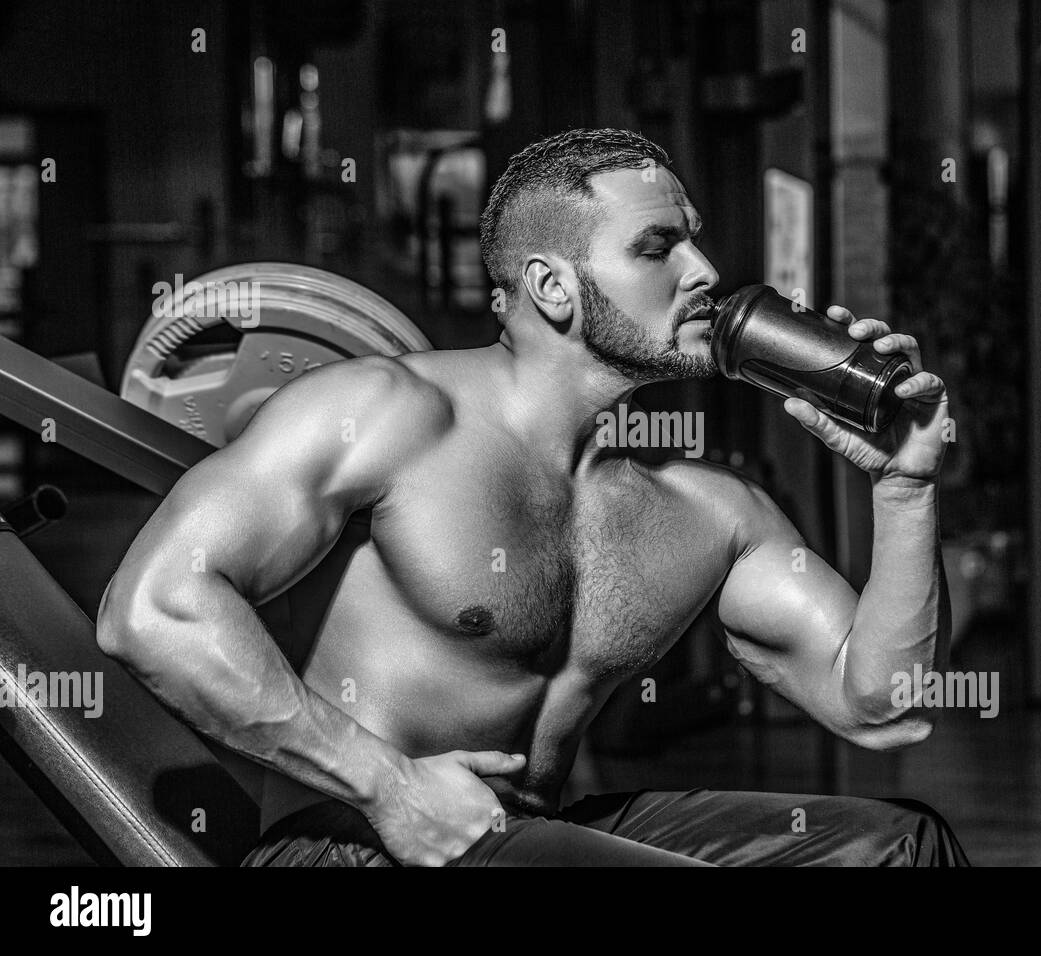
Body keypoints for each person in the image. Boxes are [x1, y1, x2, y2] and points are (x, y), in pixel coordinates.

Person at [96, 128, 968, 866]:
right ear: (552, 287)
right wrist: (389, 784)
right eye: (658, 248)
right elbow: (153, 609)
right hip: (358, 837)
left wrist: (905, 488)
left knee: (899, 848)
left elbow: (882, 706)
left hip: (530, 837)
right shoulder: (387, 414)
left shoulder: (711, 508)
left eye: (695, 241)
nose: (704, 271)